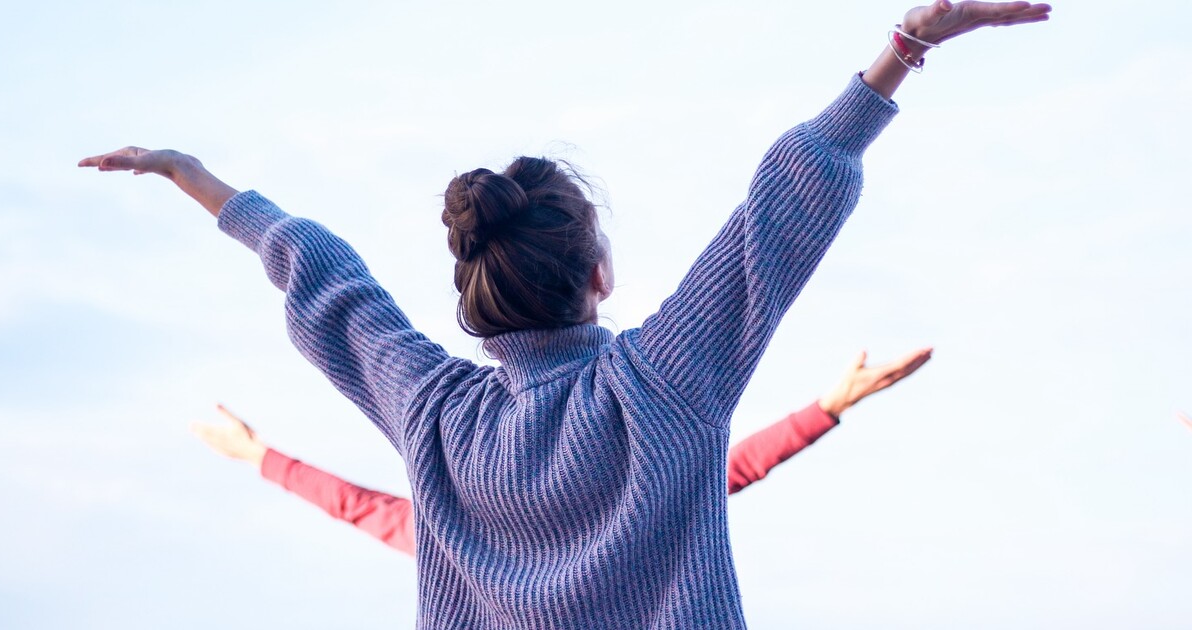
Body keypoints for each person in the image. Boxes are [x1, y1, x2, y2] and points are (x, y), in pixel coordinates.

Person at [80, 2, 1051, 626]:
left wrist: (193, 178)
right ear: (601, 275)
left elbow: (324, 277)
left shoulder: (434, 414)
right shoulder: (665, 382)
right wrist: (902, 49)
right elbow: (779, 214)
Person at [192, 349, 932, 556]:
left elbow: (363, 511)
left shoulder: (459, 541)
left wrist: (258, 458)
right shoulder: (462, 537)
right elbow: (722, 470)